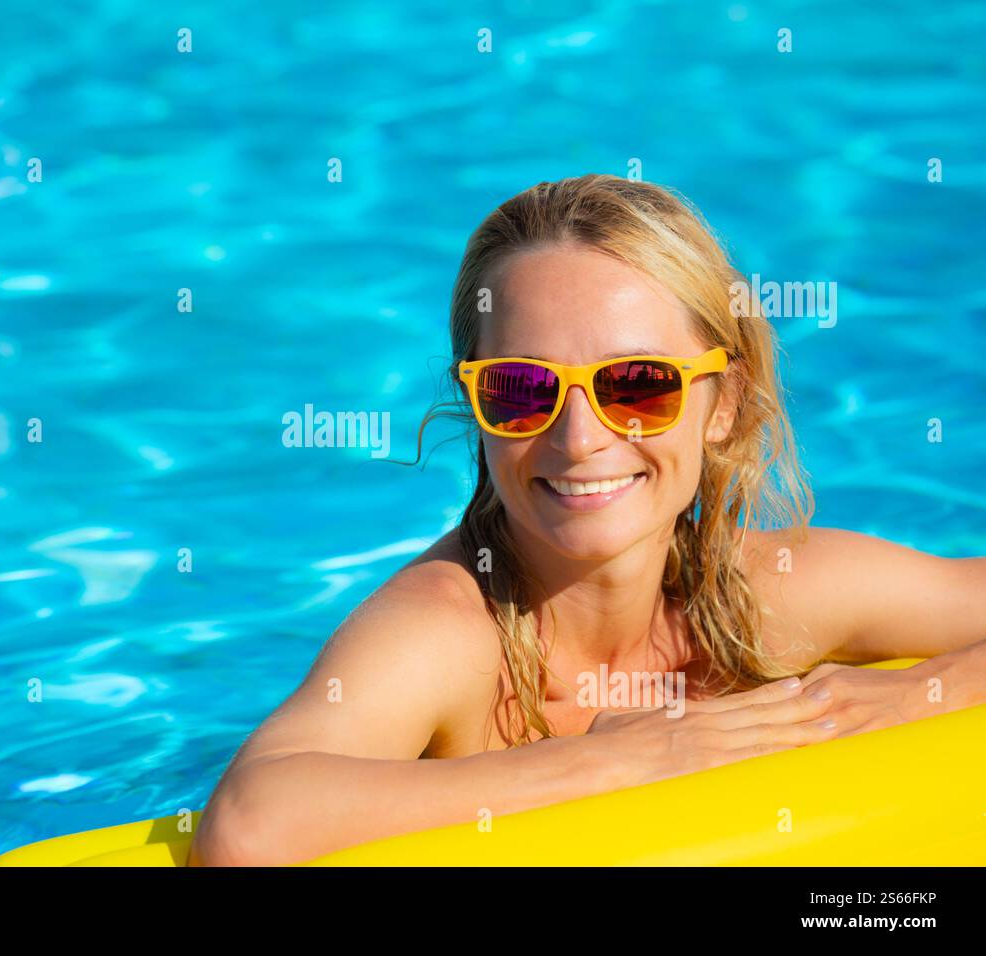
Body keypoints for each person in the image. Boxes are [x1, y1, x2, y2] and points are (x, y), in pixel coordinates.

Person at [188, 175, 986, 867]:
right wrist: (622, 760)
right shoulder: (451, 633)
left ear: (725, 404)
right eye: (522, 389)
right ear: (476, 406)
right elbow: (250, 828)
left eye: (637, 385)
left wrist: (920, 693)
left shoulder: (770, 592)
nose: (580, 438)